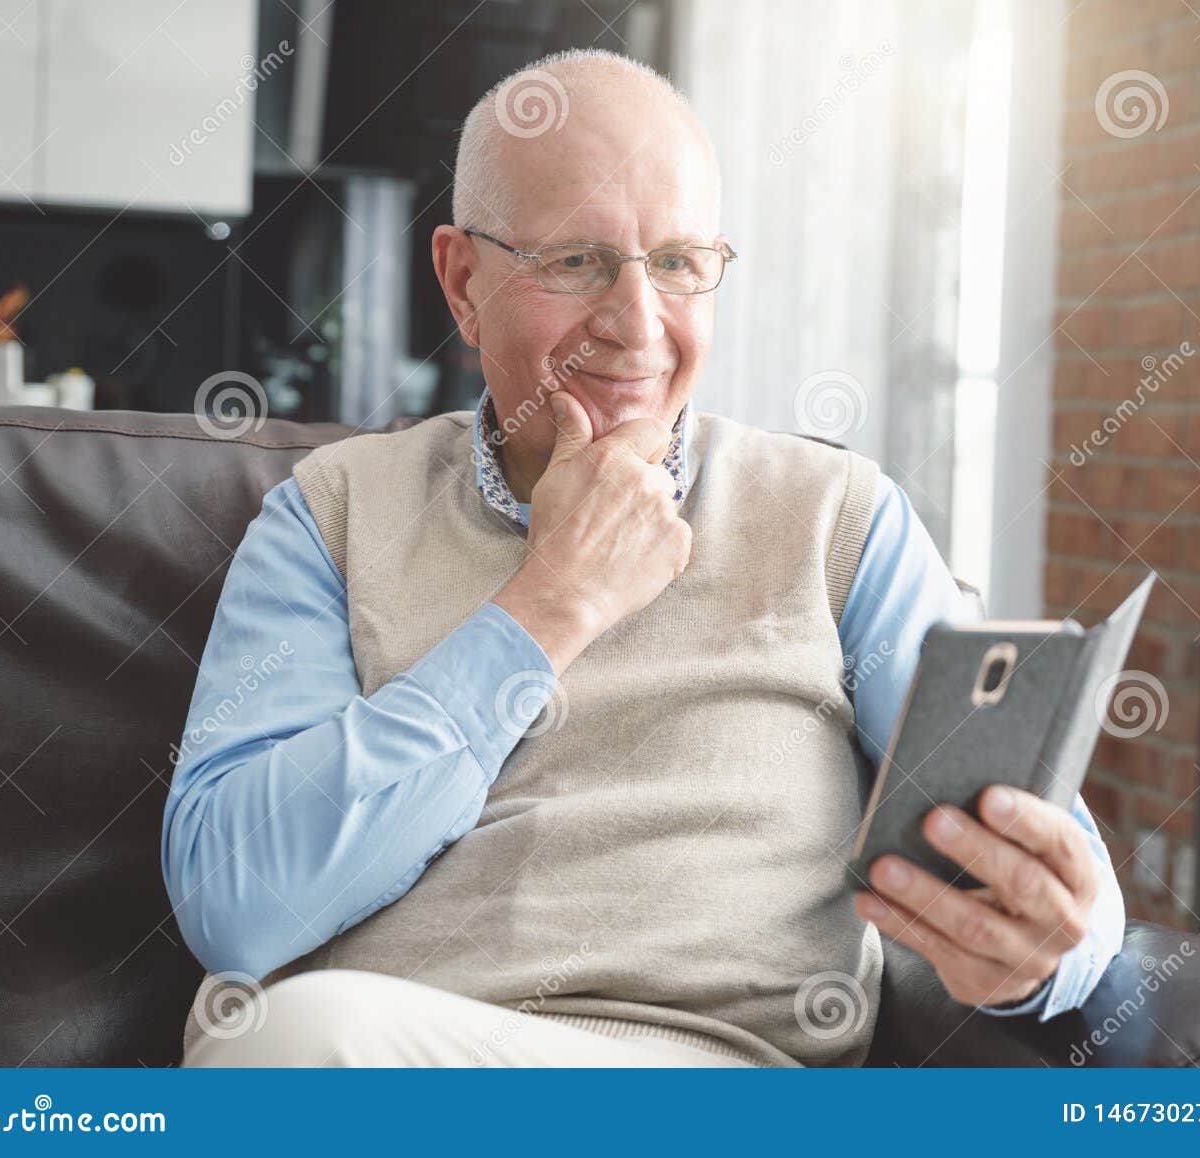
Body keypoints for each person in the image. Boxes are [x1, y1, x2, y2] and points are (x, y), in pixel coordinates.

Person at [163, 47, 1123, 1068]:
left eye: (676, 263)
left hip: (714, 1077)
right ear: (462, 281)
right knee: (292, 1040)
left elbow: (1044, 859)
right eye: (574, 261)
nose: (636, 326)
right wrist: (544, 610)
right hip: (394, 1066)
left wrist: (1045, 945)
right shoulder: (331, 515)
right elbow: (237, 909)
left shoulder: (838, 518)